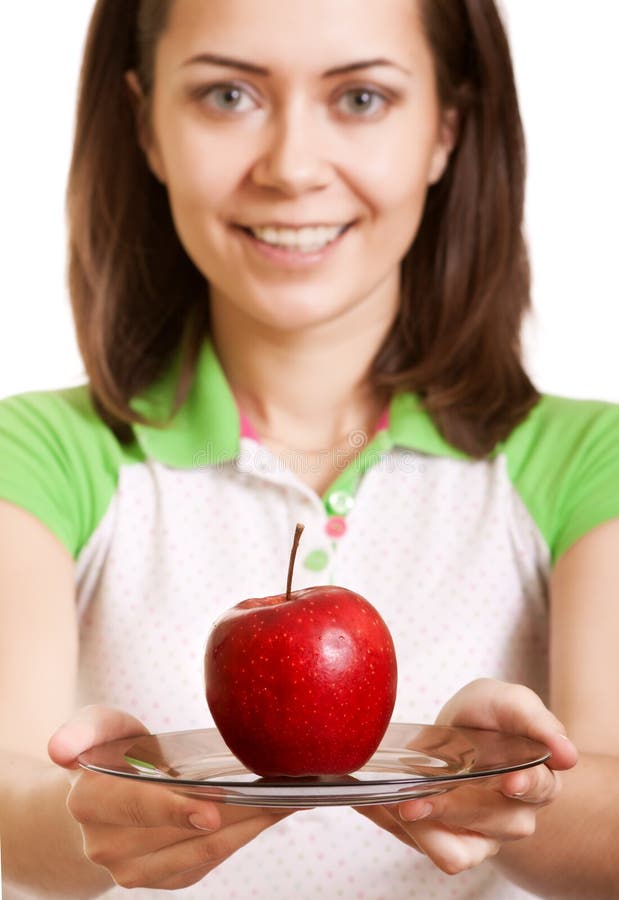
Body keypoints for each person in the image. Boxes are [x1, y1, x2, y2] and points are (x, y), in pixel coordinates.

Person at [0, 0, 617, 897]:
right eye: (226, 95)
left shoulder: (584, 460)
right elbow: (8, 799)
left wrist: (502, 782)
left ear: (446, 126)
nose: (290, 168)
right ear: (146, 125)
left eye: (361, 98)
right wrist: (85, 813)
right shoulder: (42, 452)